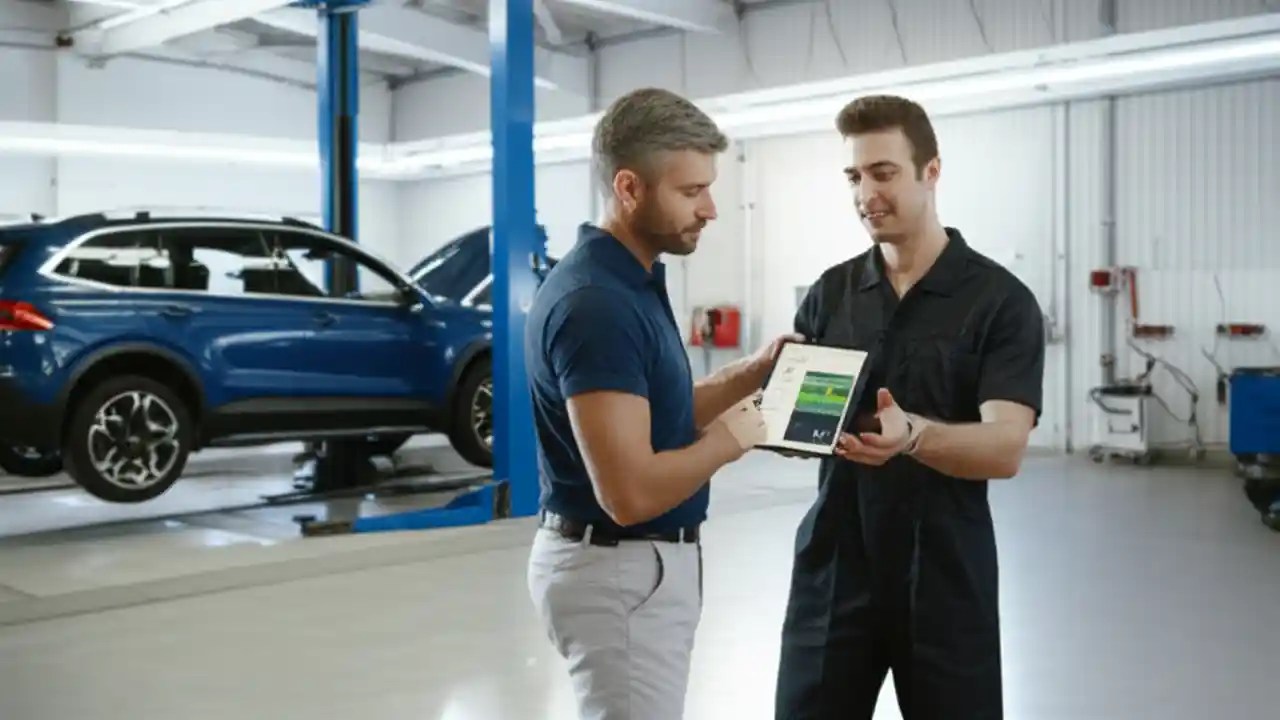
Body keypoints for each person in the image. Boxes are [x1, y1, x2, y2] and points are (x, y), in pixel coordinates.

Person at [774, 94, 1046, 719]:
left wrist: (915, 436)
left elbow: (1004, 447)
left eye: (884, 173)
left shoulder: (999, 302)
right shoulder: (832, 293)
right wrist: (776, 412)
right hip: (835, 567)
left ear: (931, 171)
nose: (866, 192)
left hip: (945, 575)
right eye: (854, 176)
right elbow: (797, 430)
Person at [525, 87, 793, 719]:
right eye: (691, 190)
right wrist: (737, 437)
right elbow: (631, 493)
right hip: (618, 570)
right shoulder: (598, 304)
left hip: (630, 570)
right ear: (629, 187)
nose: (712, 209)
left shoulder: (629, 280)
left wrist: (753, 373)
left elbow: (658, 415)